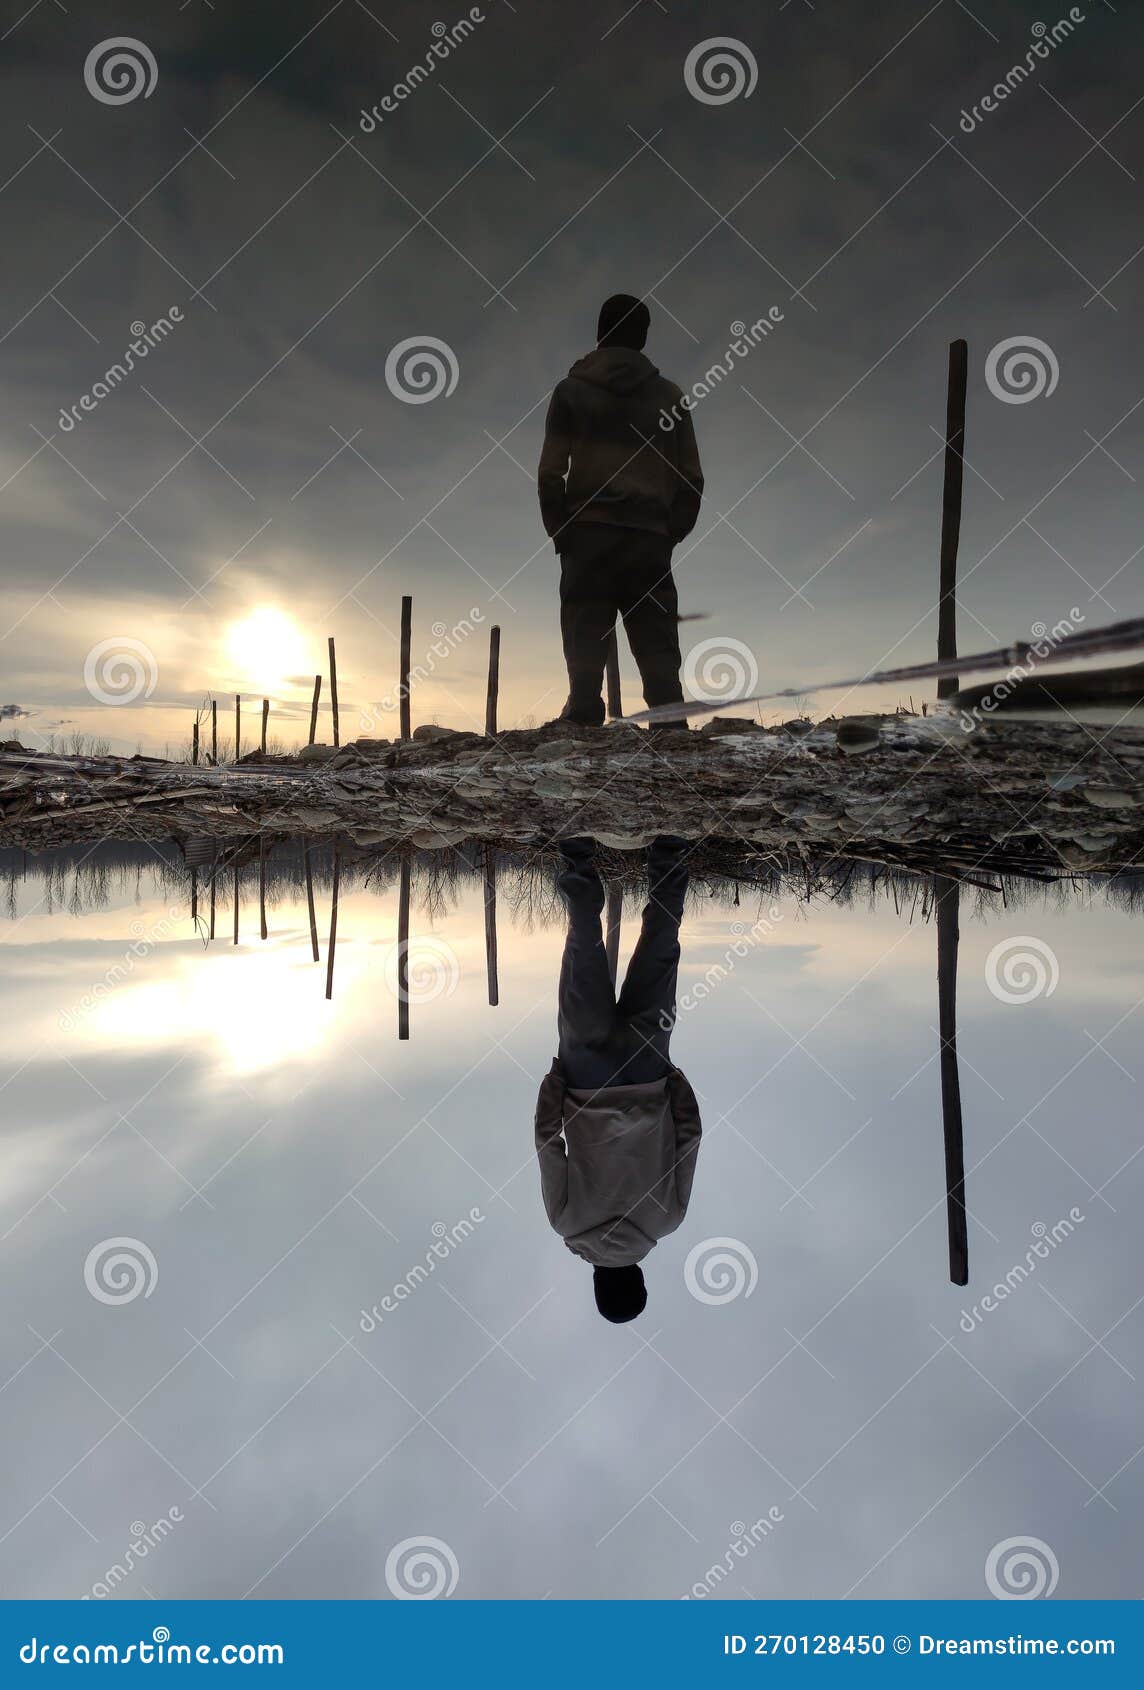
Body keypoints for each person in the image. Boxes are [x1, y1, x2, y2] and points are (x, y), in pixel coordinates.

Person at [534, 836, 702, 1323]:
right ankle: (578, 851)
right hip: (584, 1076)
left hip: (649, 1070)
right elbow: (548, 1142)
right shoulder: (565, 1222)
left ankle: (669, 845)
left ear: (640, 1279)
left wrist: (671, 1079)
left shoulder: (668, 1219)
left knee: (660, 951)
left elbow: (689, 1139)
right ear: (597, 1282)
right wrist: (556, 1080)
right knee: (583, 952)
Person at [537, 294, 704, 726]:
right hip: (649, 537)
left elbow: (551, 473)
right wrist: (670, 531)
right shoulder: (670, 396)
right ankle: (669, 720)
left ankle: (585, 709)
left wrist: (563, 531)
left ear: (600, 331)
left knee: (584, 623)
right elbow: (690, 478)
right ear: (643, 337)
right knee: (655, 630)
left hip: (589, 532)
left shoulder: (571, 392)